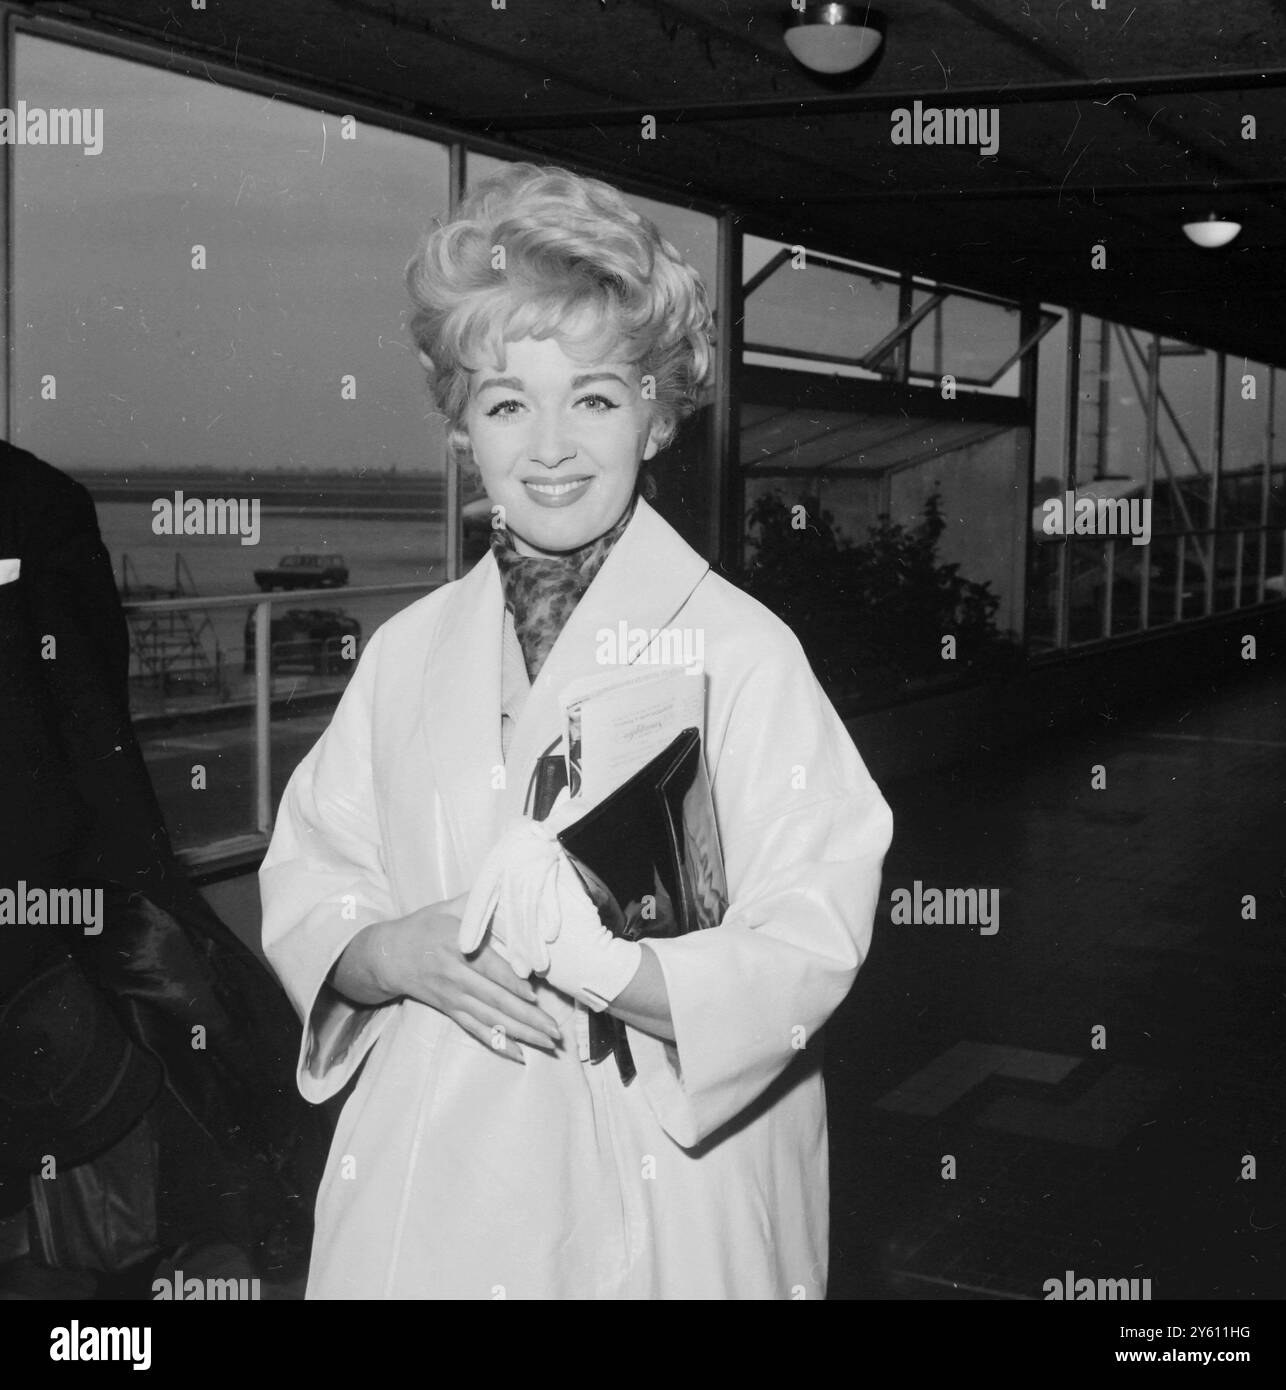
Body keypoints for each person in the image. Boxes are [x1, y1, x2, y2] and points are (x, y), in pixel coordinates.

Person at [259, 164, 893, 1299]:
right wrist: (381, 952)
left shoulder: (744, 653)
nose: (549, 446)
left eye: (593, 397)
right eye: (506, 402)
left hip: (657, 1181)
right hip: (437, 1180)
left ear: (655, 414)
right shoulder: (406, 653)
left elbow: (809, 942)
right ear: (462, 430)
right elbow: (316, 869)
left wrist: (612, 969)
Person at [0, 444, 325, 1295]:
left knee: (113, 1200)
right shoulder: (41, 500)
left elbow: (80, 734)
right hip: (55, 917)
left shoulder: (34, 504)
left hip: (44, 923)